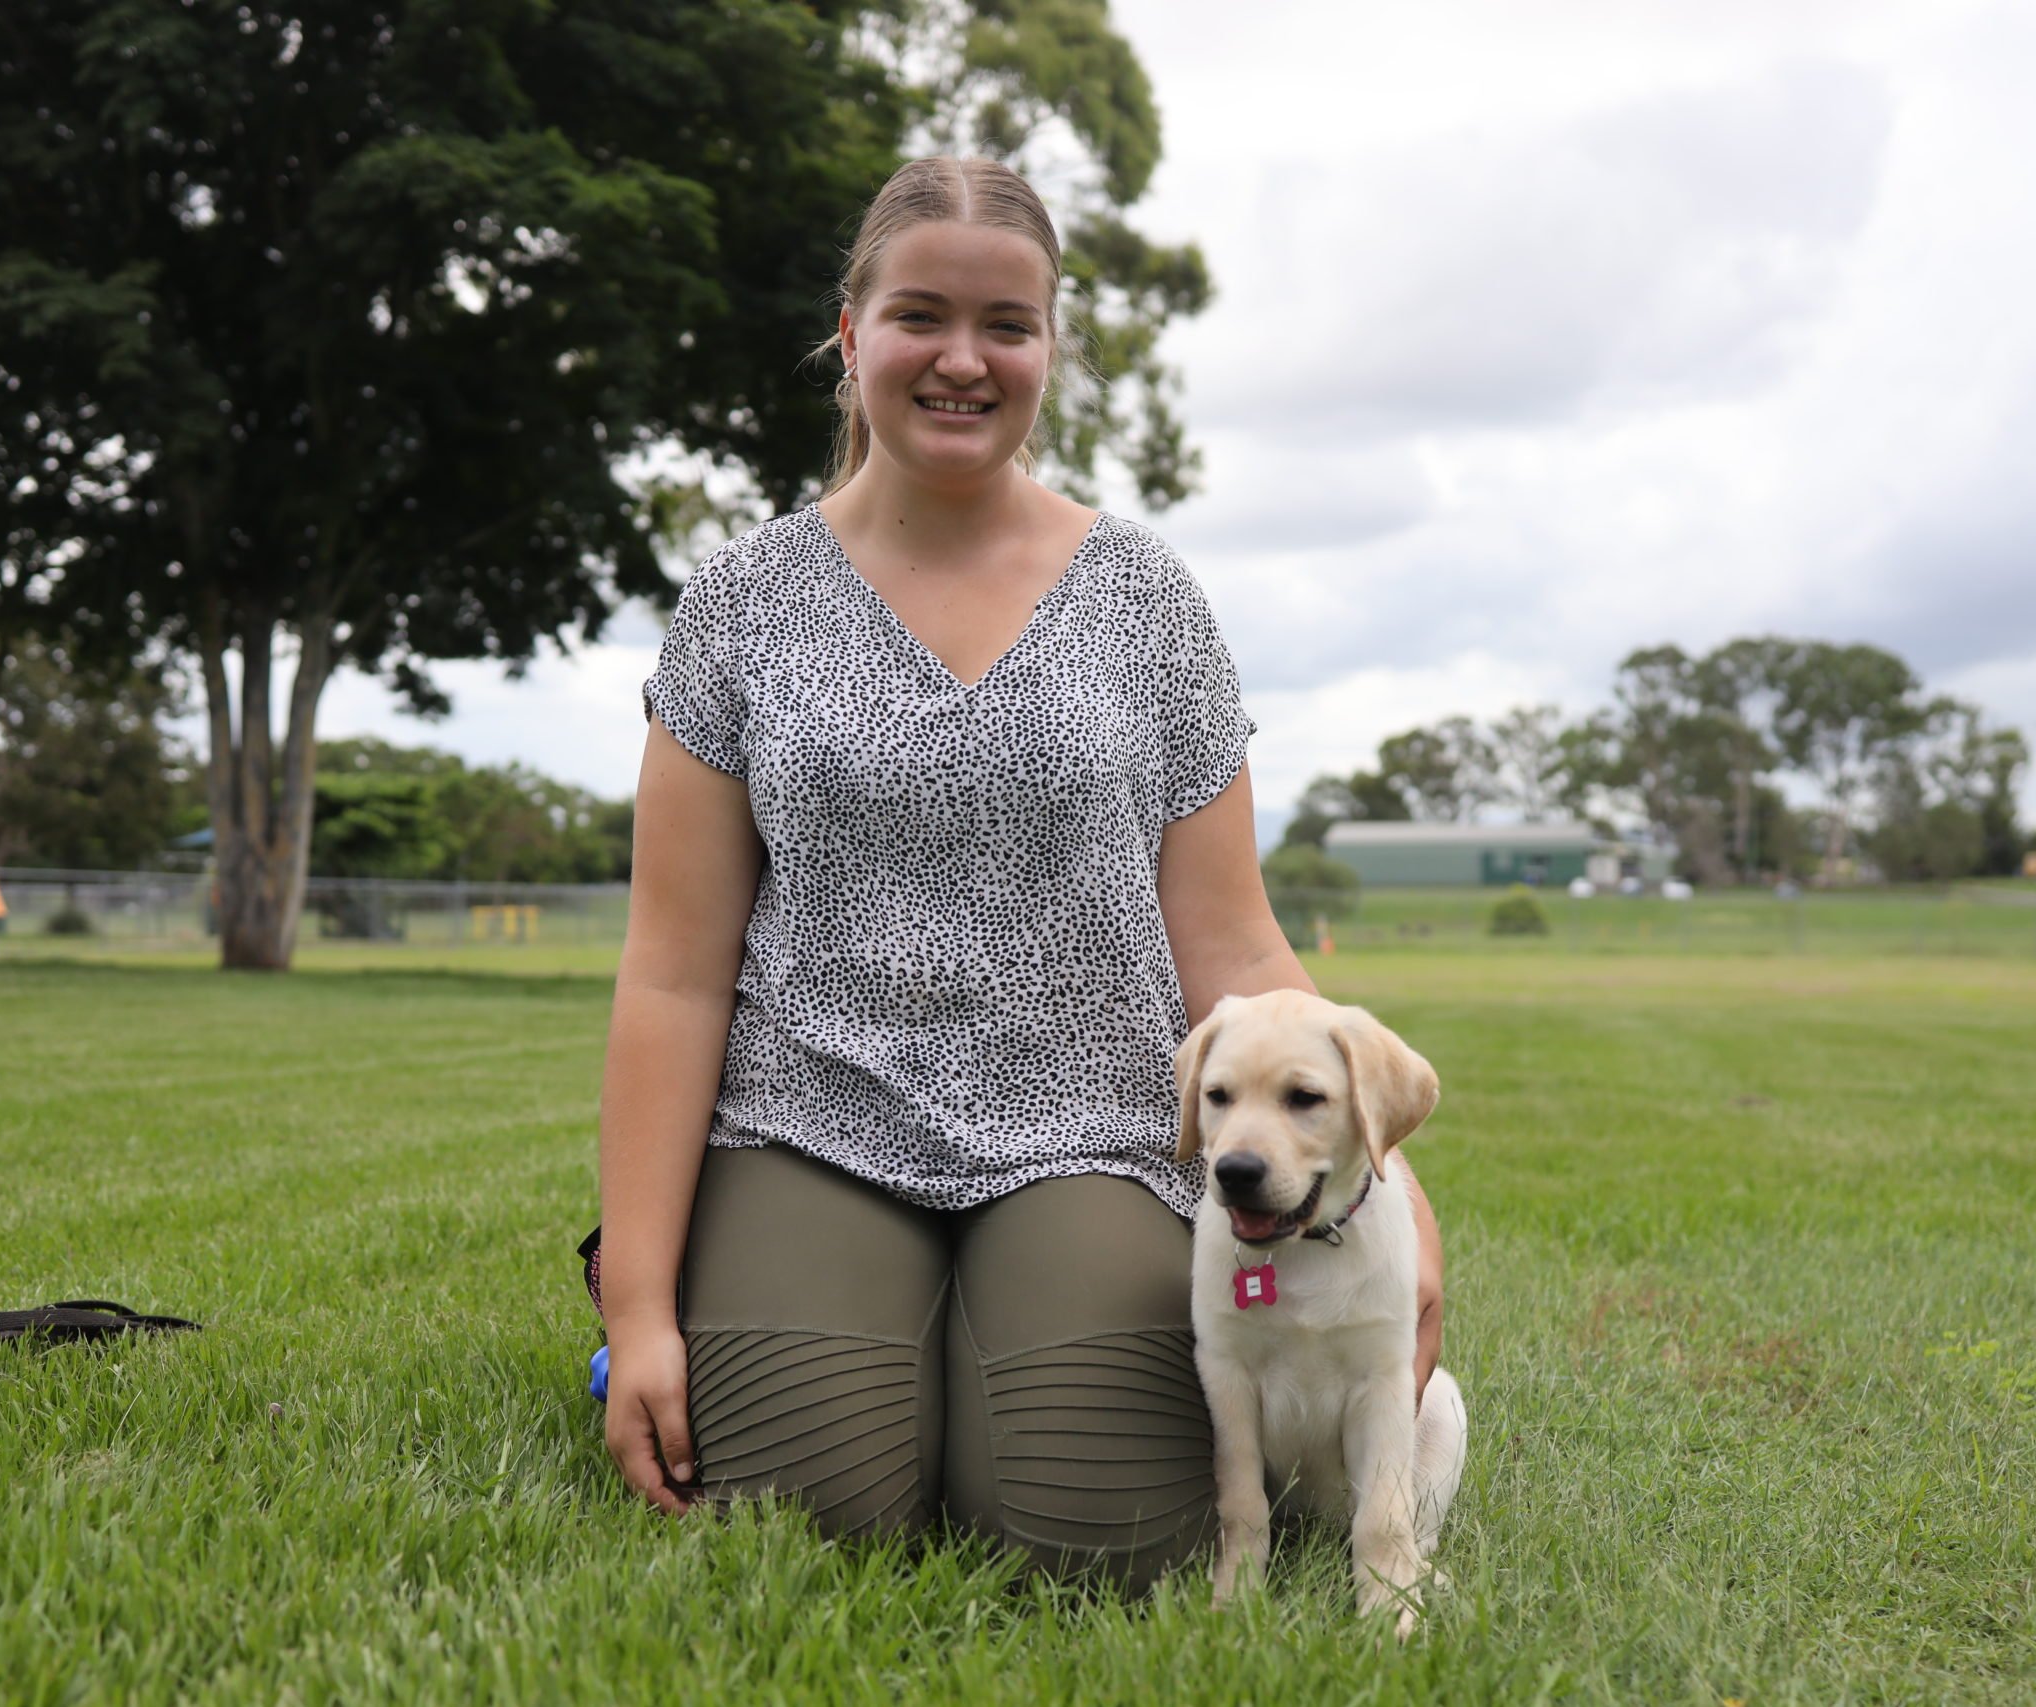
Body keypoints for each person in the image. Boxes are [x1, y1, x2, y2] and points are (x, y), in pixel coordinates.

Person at [596, 157, 1443, 1591]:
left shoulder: (1149, 600)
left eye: (1010, 325)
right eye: (920, 315)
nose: (962, 360)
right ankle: (772, 1315)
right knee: (805, 1520)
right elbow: (674, 975)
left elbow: (1234, 943)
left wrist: (1402, 1205)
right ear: (850, 331)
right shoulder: (743, 601)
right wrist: (644, 1306)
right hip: (814, 1119)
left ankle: (964, 1336)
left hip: (1091, 1132)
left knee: (1098, 1539)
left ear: (1052, 348)